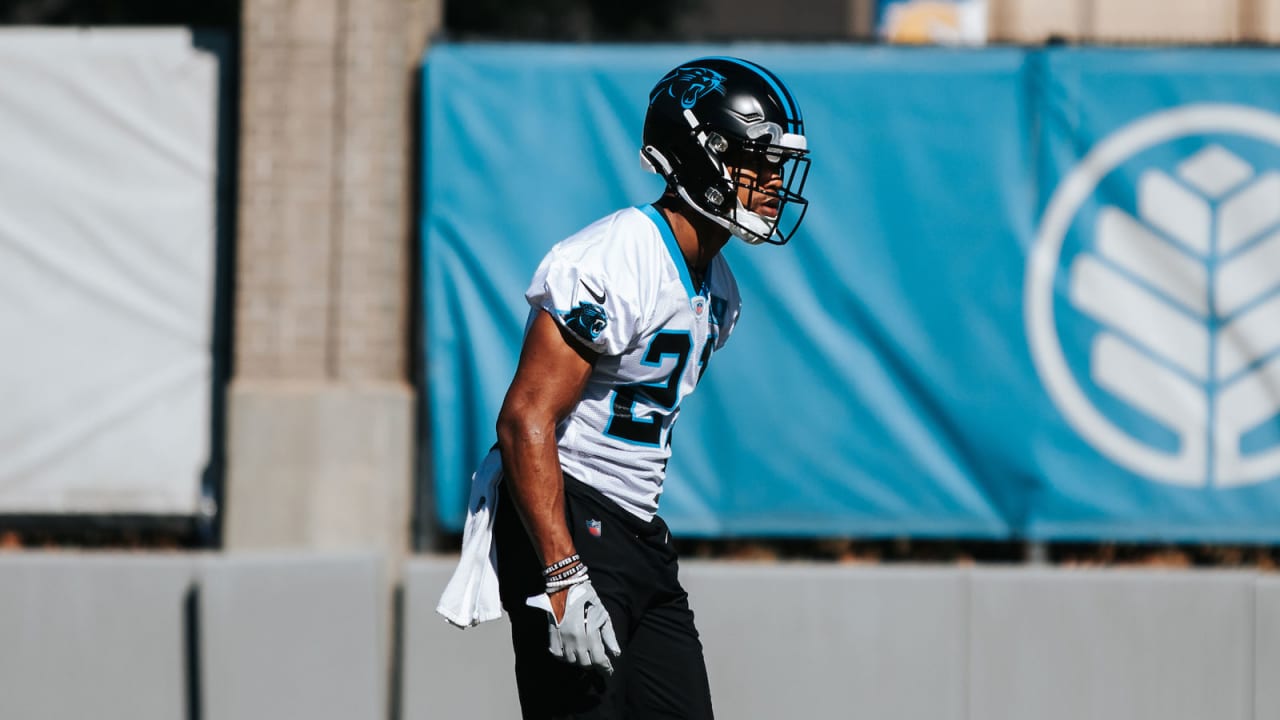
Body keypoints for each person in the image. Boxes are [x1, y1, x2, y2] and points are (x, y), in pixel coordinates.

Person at [492, 56, 810, 719]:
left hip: (636, 535)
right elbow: (525, 418)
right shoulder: (618, 256)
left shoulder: (718, 289)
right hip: (572, 519)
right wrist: (561, 572)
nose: (774, 183)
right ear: (703, 156)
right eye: (760, 161)